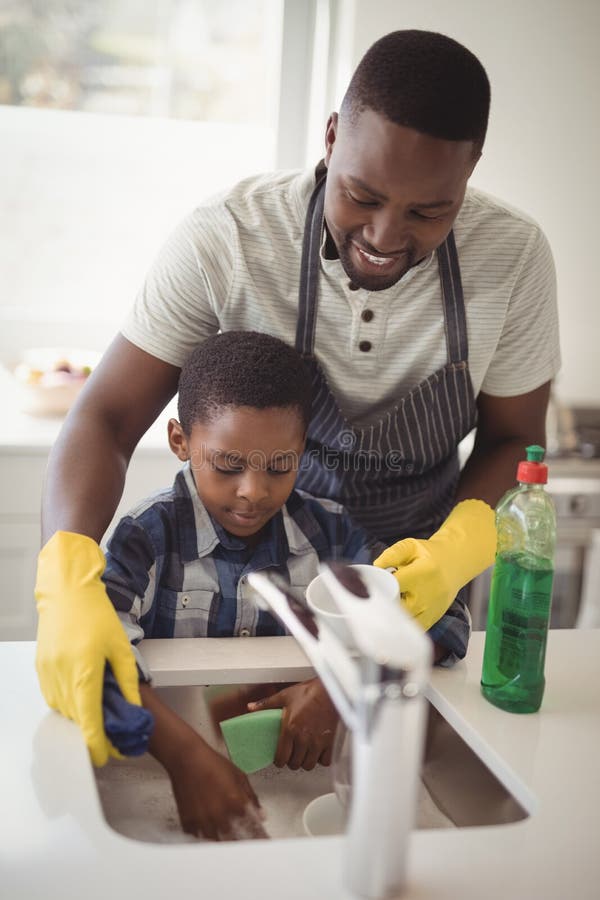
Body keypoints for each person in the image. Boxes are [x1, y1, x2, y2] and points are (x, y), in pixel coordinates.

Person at [34, 30, 560, 769]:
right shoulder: (229, 239)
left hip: (411, 600)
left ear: (471, 169)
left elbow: (513, 439)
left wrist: (454, 552)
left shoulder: (514, 258)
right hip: (259, 589)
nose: (383, 236)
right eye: (362, 195)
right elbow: (108, 416)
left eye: (428, 212)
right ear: (332, 136)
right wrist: (68, 570)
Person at [99, 330, 470, 839]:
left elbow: (446, 618)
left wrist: (339, 687)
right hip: (156, 769)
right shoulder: (144, 539)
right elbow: (97, 657)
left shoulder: (330, 532)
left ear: (303, 448)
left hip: (297, 787)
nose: (253, 491)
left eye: (280, 466)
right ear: (180, 441)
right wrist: (185, 759)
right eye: (228, 466)